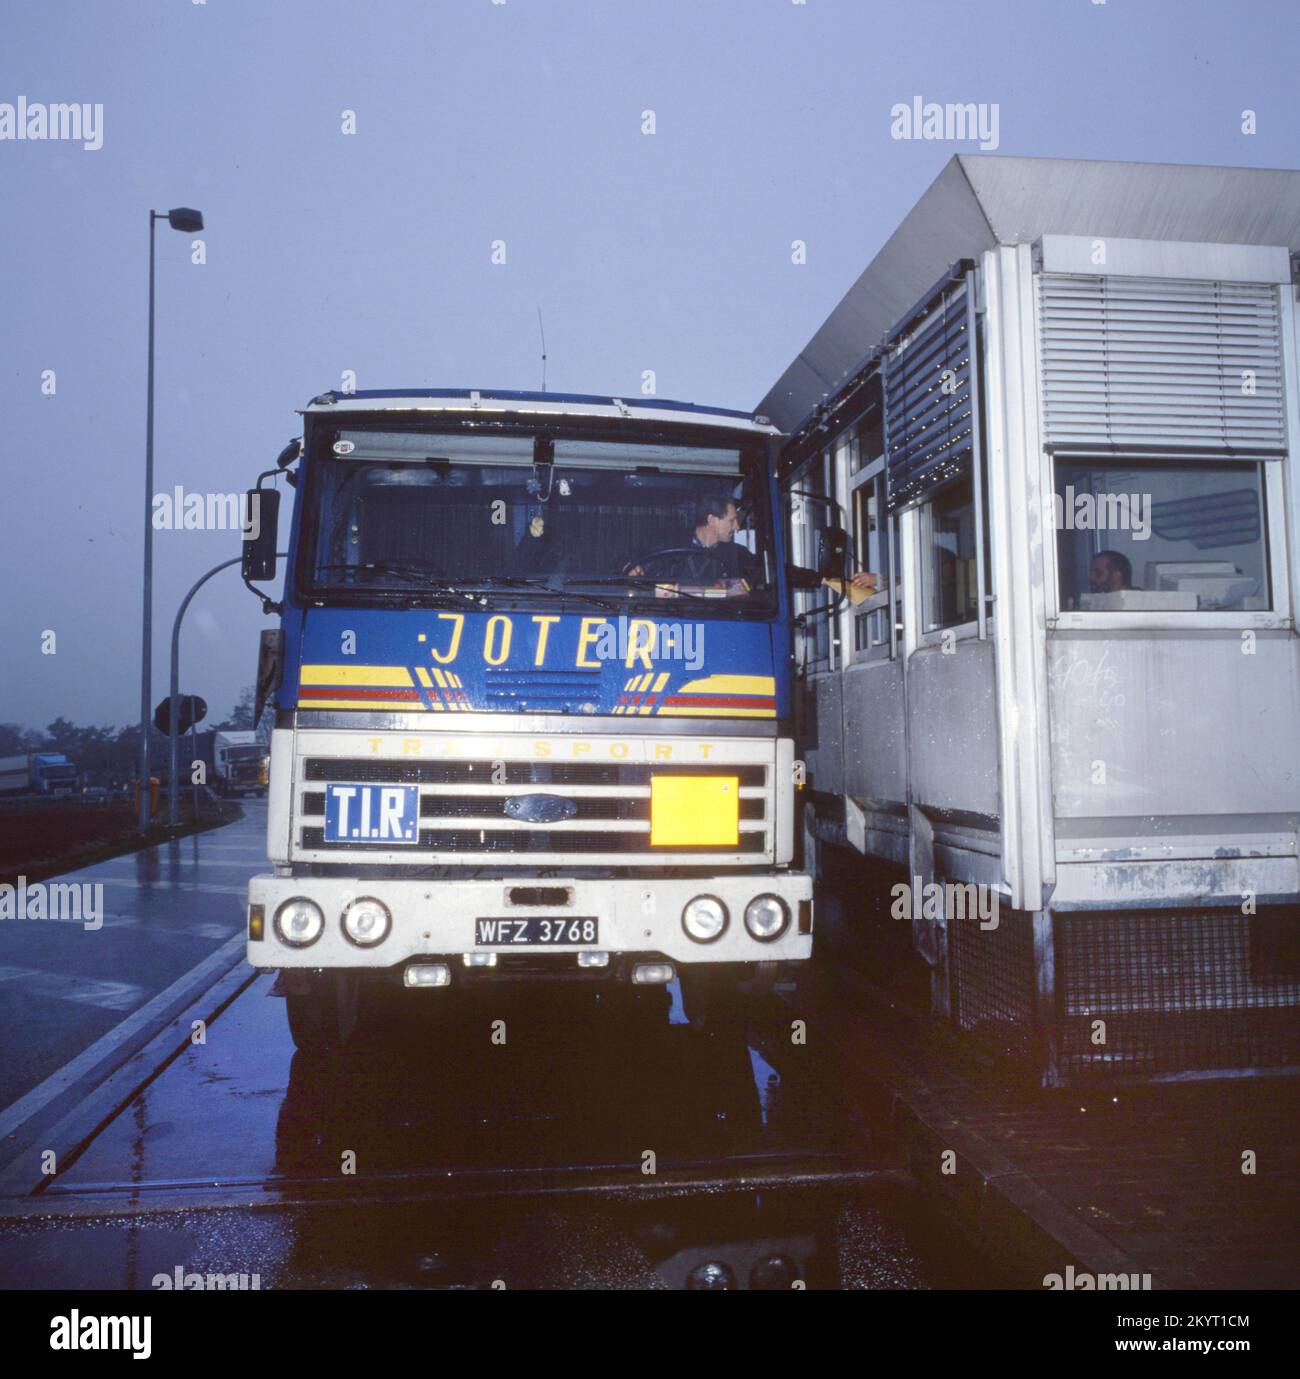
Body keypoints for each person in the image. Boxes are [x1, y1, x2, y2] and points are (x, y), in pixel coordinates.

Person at [629, 494, 878, 594]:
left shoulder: (737, 555)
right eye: (732, 520)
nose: (737, 527)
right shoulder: (662, 546)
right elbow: (633, 573)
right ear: (712, 520)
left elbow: (775, 571)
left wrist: (821, 579)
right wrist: (633, 571)